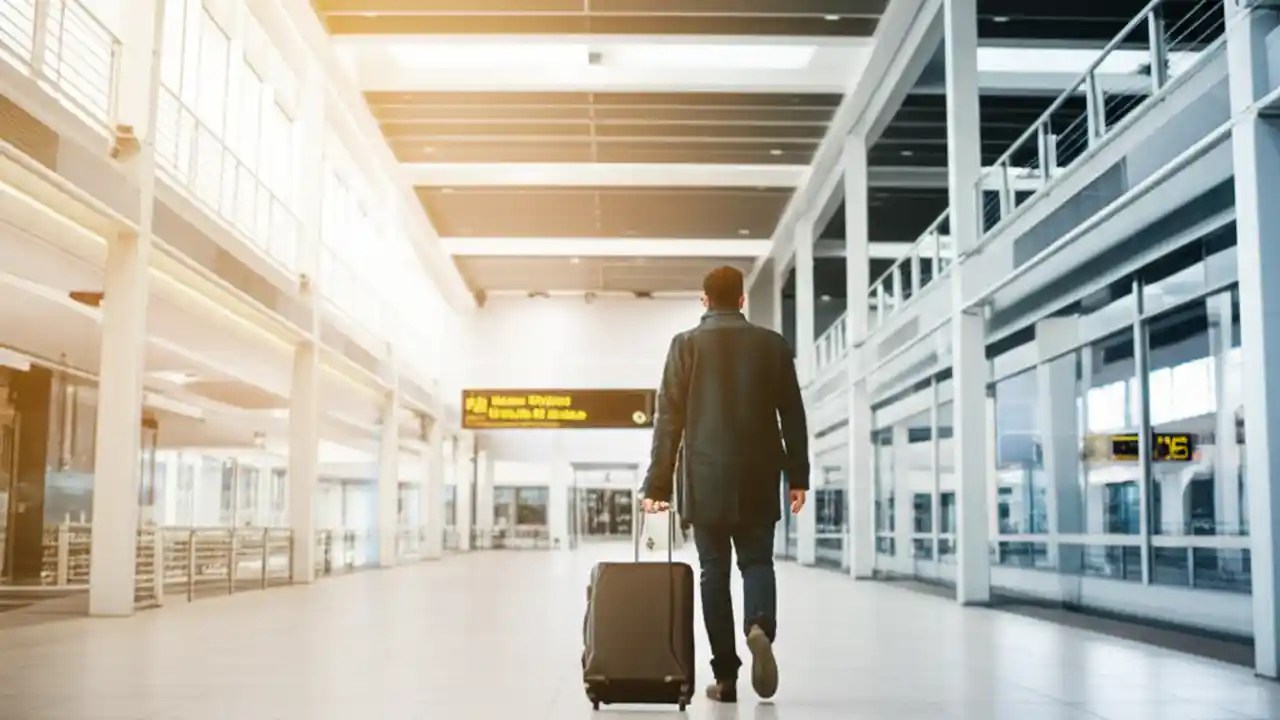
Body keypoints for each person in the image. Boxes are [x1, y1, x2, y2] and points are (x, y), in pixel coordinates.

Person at [640, 265, 809, 704]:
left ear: (703, 300)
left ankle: (727, 678)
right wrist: (799, 476)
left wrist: (657, 485)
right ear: (741, 300)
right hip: (758, 476)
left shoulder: (686, 345)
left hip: (705, 478)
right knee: (757, 563)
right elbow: (792, 413)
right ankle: (759, 626)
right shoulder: (771, 345)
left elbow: (669, 420)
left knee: (713, 574)